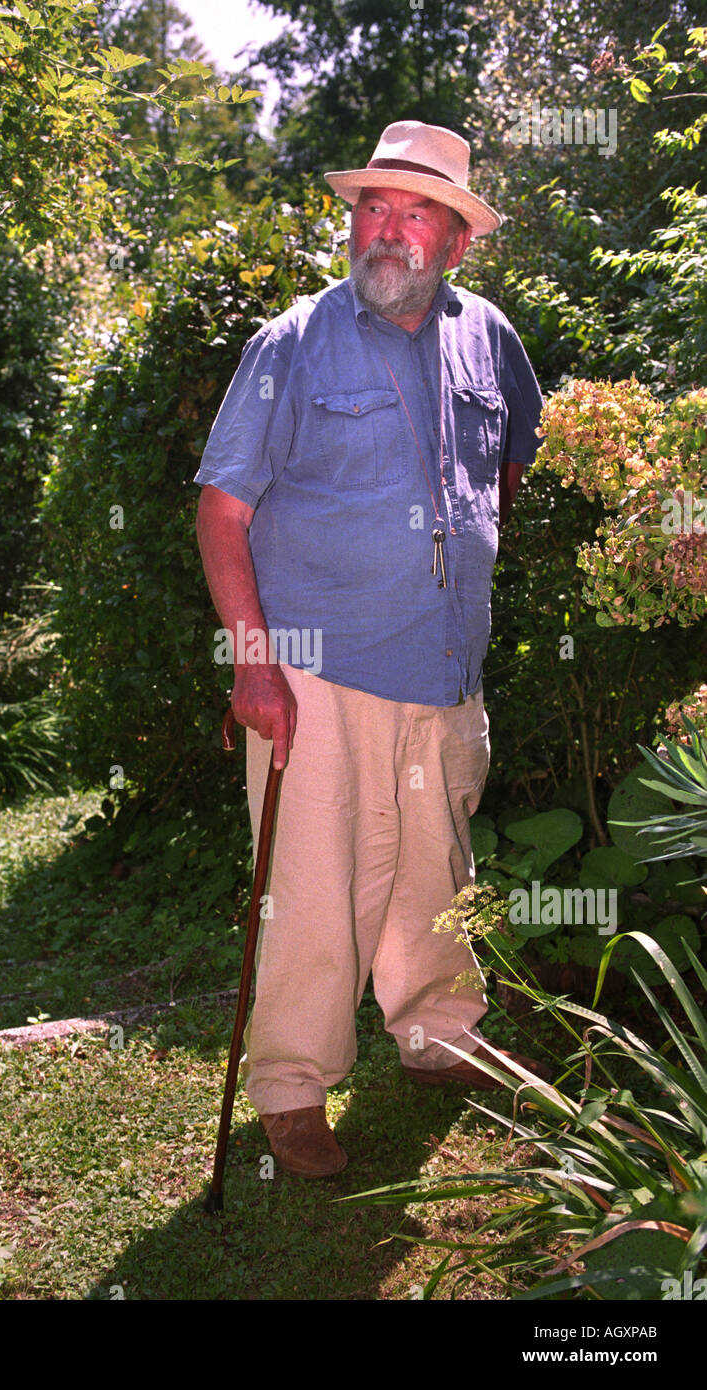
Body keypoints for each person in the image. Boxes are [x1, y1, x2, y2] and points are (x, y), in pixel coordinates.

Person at [194, 120, 546, 1179]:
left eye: (413, 214)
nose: (386, 232)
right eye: (372, 209)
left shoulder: (488, 337)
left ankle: (437, 1032)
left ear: (455, 240)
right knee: (312, 885)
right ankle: (292, 1085)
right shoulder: (291, 343)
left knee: (436, 864)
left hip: (443, 666)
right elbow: (220, 512)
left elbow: (506, 460)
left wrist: (457, 556)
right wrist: (254, 666)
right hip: (317, 669)